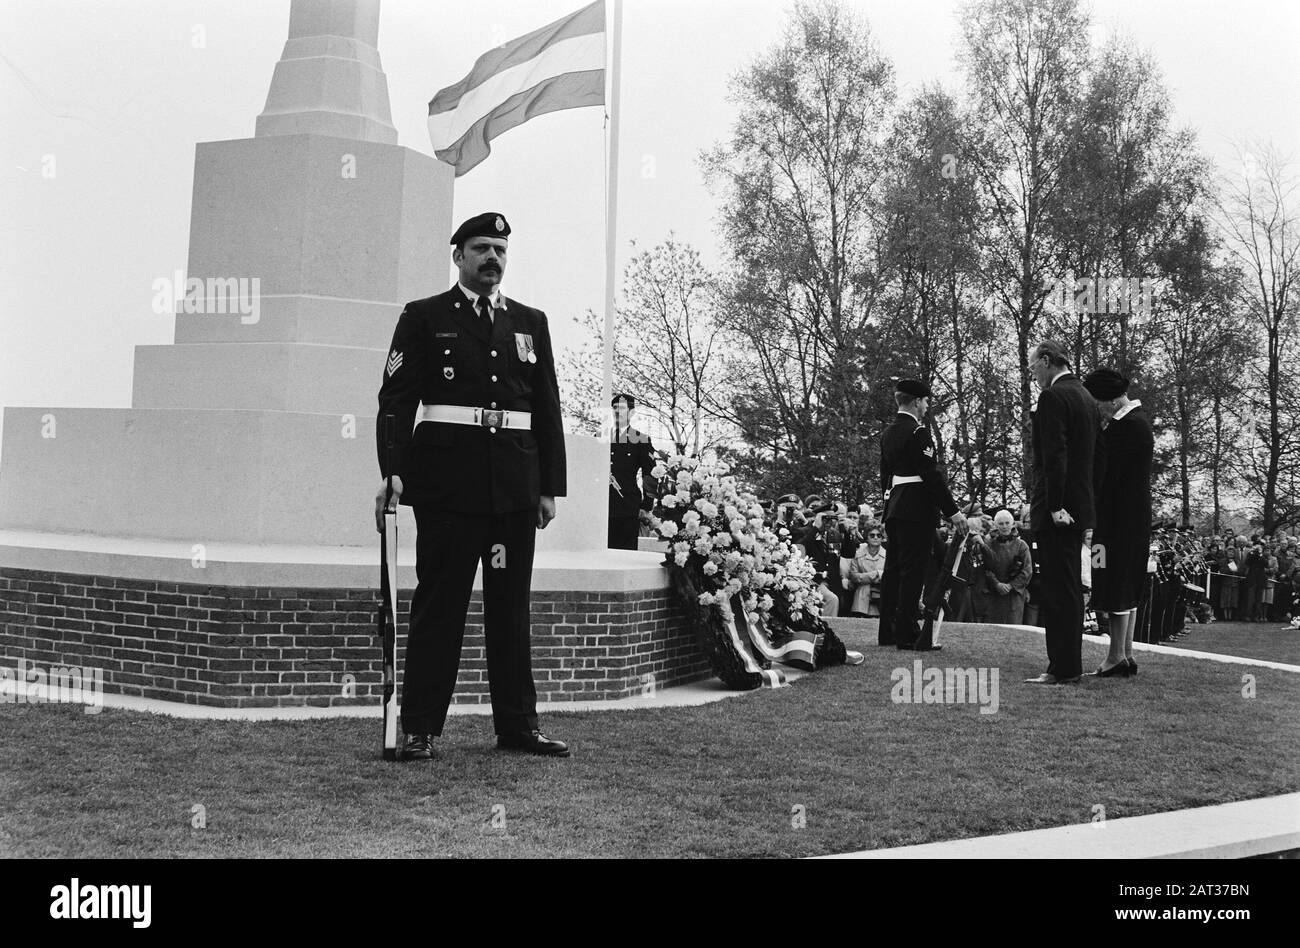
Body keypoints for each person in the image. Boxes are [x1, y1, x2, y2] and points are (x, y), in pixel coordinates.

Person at [374, 212, 570, 761]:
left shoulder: (532, 322)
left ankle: (518, 728)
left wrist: (548, 486)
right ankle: (419, 729)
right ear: (458, 255)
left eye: (500, 250)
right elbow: (397, 400)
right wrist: (392, 468)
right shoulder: (424, 316)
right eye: (481, 248)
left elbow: (547, 407)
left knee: (511, 611)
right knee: (441, 608)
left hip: (513, 488)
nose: (493, 259)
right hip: (447, 490)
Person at [1025, 341, 1098, 685]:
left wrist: (1055, 506)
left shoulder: (1053, 398)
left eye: (1034, 367)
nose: (1033, 374)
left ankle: (1062, 666)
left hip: (1058, 509)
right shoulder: (1086, 398)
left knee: (1058, 588)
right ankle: (1068, 662)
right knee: (1069, 586)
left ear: (1048, 361)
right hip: (1079, 506)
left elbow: (1055, 456)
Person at [877, 378, 967, 650]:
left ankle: (888, 631)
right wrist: (952, 512)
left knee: (893, 569)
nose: (927, 406)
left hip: (895, 506)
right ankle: (906, 633)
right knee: (912, 570)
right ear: (916, 401)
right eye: (926, 401)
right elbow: (930, 475)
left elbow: (885, 476)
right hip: (915, 508)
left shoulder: (888, 433)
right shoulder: (918, 433)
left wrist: (888, 504)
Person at [1081, 368, 1153, 678]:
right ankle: (1125, 652)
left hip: (1117, 519)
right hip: (1131, 518)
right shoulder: (1137, 424)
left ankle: (1115, 656)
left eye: (1097, 403)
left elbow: (1104, 475)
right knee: (1127, 581)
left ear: (1110, 401)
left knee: (1115, 581)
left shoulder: (1125, 428)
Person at [608, 392, 657, 550]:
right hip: (602, 505)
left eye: (621, 408)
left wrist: (646, 505)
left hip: (627, 506)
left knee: (624, 554)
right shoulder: (600, 437)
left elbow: (650, 474)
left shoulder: (641, 439)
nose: (617, 411)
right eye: (614, 407)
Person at [976, 509, 1033, 625]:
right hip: (994, 595)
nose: (1004, 526)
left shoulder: (1021, 546)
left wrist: (1010, 586)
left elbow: (1027, 571)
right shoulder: (989, 545)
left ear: (1012, 524)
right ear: (996, 525)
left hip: (1014, 596)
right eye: (1001, 524)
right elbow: (985, 568)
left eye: (1007, 523)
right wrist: (996, 584)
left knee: (1014, 629)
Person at [847, 524, 887, 617]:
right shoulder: (858, 554)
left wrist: (864, 577)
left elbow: (889, 577)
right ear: (867, 537)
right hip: (861, 595)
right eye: (872, 535)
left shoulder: (888, 556)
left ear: (882, 538)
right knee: (864, 588)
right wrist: (876, 574)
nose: (875, 538)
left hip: (881, 595)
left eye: (879, 535)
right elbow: (853, 576)